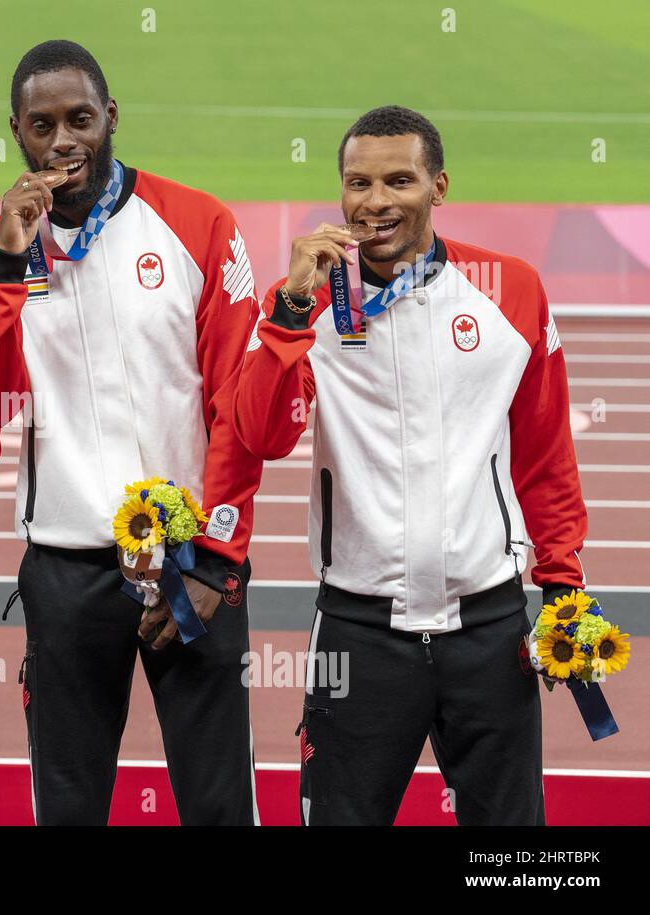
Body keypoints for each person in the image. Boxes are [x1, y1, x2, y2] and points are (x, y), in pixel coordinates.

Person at [233, 105, 586, 826]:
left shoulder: (509, 292)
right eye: (358, 182)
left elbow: (545, 455)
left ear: (439, 186)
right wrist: (294, 304)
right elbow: (260, 434)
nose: (376, 201)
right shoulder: (307, 304)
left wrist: (562, 582)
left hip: (489, 631)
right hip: (359, 635)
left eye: (399, 179)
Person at [0, 40, 265, 825]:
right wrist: (7, 263)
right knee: (67, 801)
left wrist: (220, 557)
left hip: (191, 563)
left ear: (111, 117)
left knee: (218, 800)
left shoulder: (197, 224)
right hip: (66, 570)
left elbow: (238, 406)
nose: (63, 142)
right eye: (42, 125)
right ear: (16, 134)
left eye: (80, 119)